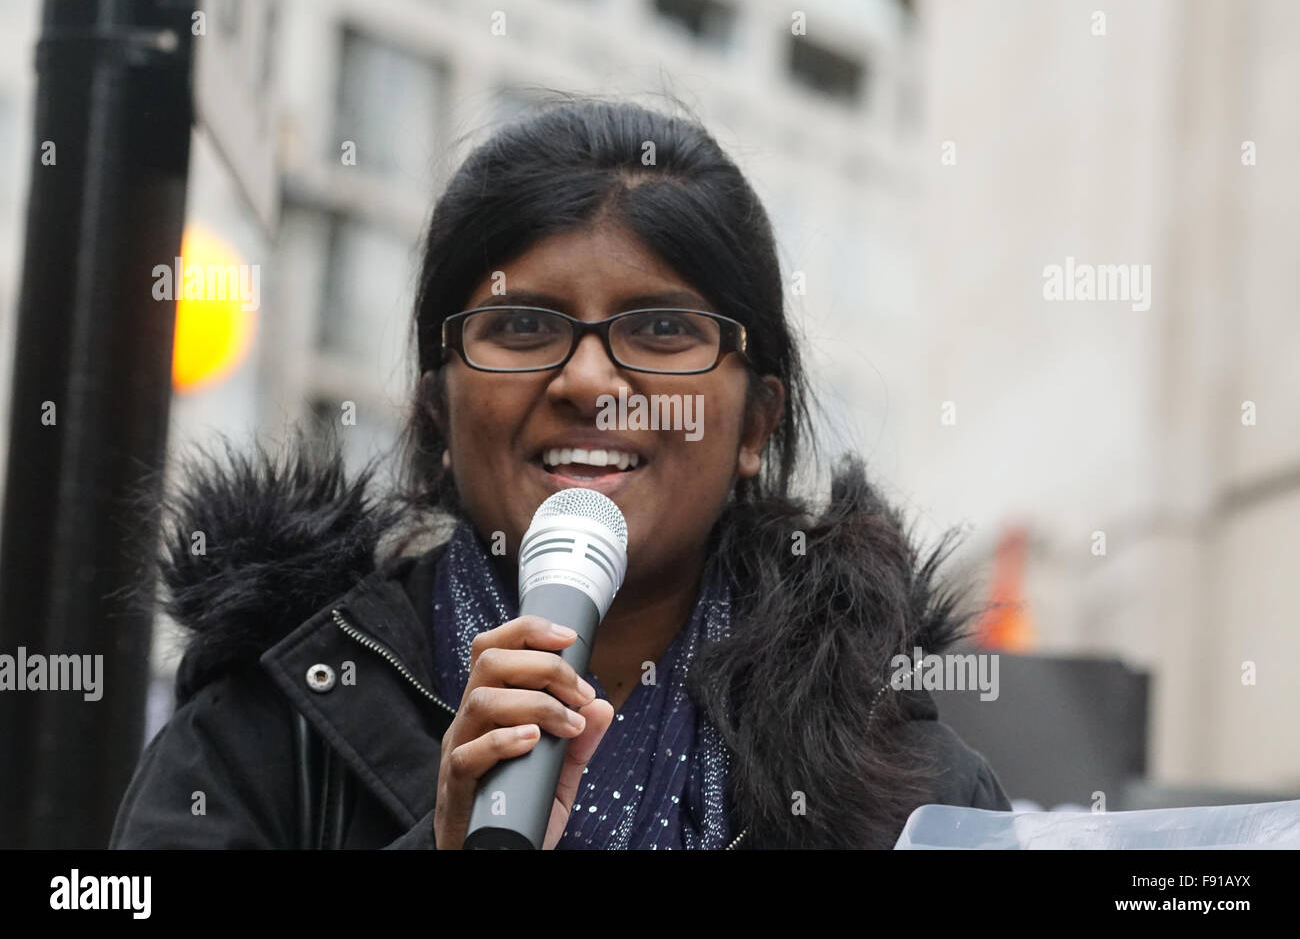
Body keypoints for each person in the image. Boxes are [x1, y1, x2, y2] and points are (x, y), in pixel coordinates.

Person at [111, 97, 1012, 850]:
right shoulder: (267, 735)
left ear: (756, 424)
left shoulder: (909, 788)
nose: (588, 382)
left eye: (660, 330)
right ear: (436, 407)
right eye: (524, 328)